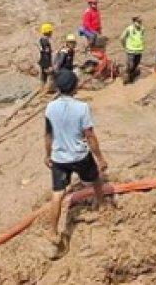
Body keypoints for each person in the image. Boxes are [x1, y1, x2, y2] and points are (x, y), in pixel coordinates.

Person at [43, 69, 109, 260]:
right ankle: (101, 205)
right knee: (96, 179)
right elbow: (90, 136)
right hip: (79, 156)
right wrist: (101, 158)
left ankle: (53, 232)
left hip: (59, 158)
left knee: (57, 195)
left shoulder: (50, 107)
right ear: (74, 87)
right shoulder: (82, 108)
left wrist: (47, 155)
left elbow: (48, 135)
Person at [119, 16, 145, 84]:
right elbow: (122, 38)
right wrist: (125, 46)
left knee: (136, 64)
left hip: (139, 51)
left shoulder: (142, 28)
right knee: (130, 65)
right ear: (134, 22)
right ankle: (126, 77)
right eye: (138, 22)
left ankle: (132, 77)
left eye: (140, 22)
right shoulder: (129, 29)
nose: (139, 23)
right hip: (130, 51)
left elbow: (141, 38)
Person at [38, 23, 55, 87]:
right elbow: (47, 53)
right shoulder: (46, 41)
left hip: (42, 61)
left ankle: (42, 86)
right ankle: (47, 87)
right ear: (49, 32)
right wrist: (49, 64)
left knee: (43, 76)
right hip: (46, 61)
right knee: (50, 74)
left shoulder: (41, 39)